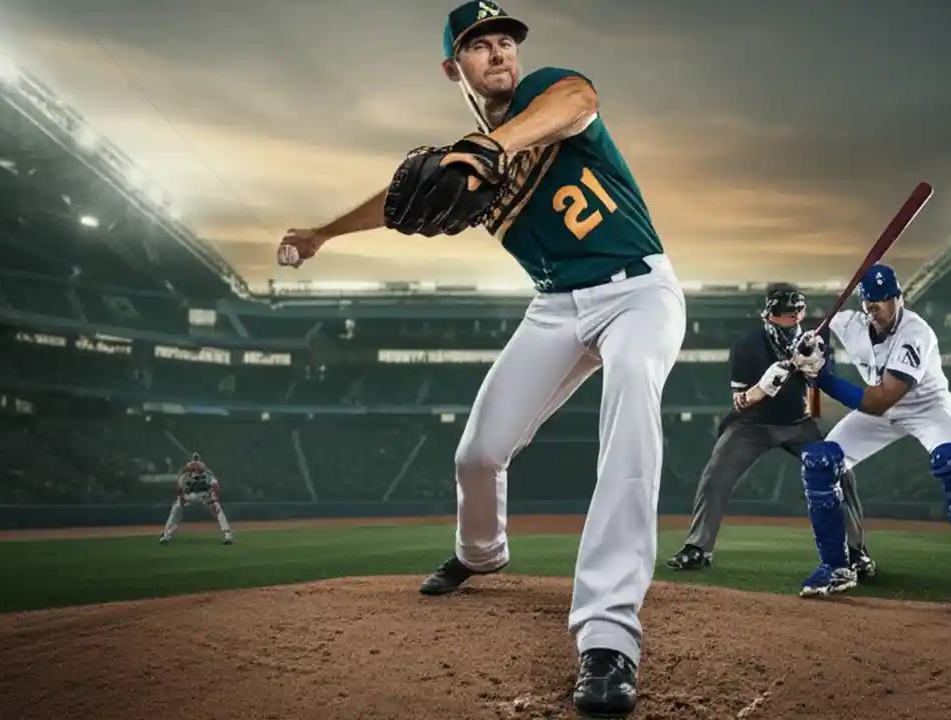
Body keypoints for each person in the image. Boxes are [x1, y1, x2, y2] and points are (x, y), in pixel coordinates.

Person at [274, 3, 685, 715]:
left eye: (504, 41)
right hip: (555, 307)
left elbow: (579, 100)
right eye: (478, 45)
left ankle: (608, 635)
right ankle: (480, 552)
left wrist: (492, 146)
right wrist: (321, 234)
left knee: (630, 404)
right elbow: (396, 203)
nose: (498, 53)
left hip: (639, 293)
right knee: (478, 453)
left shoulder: (545, 94)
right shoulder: (464, 162)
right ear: (452, 68)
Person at [781, 263, 951, 609]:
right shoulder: (851, 323)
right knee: (818, 461)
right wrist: (806, 345)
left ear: (899, 298)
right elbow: (812, 328)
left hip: (927, 409)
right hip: (881, 415)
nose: (877, 309)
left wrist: (823, 377)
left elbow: (881, 399)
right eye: (871, 303)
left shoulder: (916, 334)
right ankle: (836, 567)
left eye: (885, 300)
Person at [665, 283, 875, 579]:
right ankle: (697, 547)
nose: (790, 318)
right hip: (751, 424)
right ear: (768, 314)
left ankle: (855, 551)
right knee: (716, 475)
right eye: (783, 312)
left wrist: (817, 371)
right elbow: (739, 401)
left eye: (795, 312)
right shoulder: (746, 346)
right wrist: (763, 387)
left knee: (842, 471)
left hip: (799, 424)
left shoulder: (817, 339)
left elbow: (826, 386)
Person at [159, 453, 234, 545]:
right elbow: (179, 491)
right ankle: (167, 534)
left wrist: (211, 496)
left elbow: (215, 487)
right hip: (189, 498)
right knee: (176, 507)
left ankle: (227, 533)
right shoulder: (184, 476)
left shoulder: (208, 475)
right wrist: (182, 499)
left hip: (204, 497)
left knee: (217, 508)